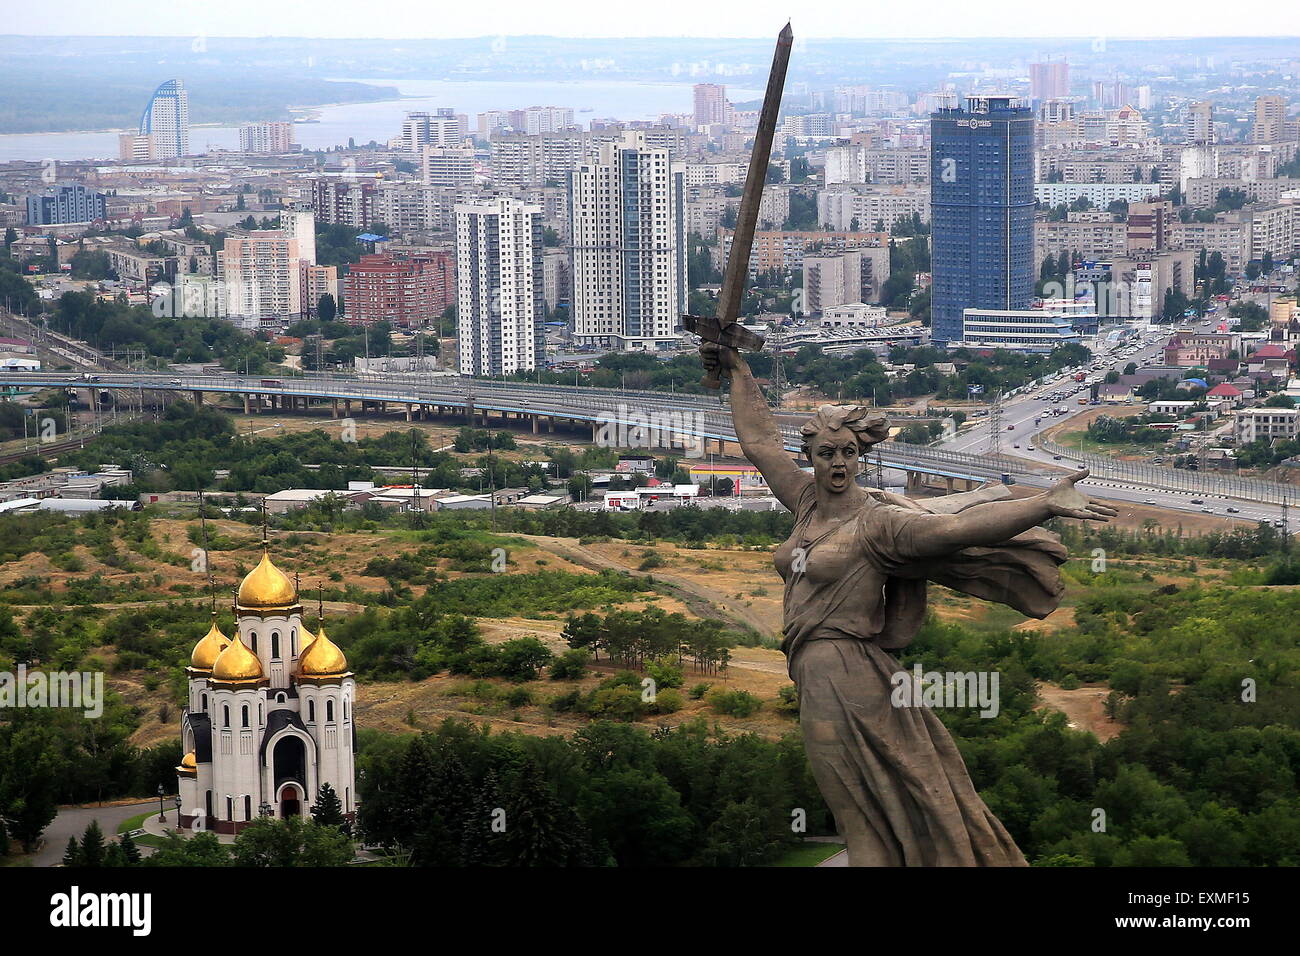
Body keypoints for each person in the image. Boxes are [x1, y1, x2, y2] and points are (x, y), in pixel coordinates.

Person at [700, 341, 1116, 866]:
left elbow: (959, 529)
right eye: (826, 453)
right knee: (856, 793)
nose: (837, 463)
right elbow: (760, 442)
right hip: (813, 669)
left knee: (856, 799)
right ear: (811, 455)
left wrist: (1042, 504)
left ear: (860, 456)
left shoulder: (880, 523)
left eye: (848, 452)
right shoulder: (805, 502)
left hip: (845, 670)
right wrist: (739, 369)